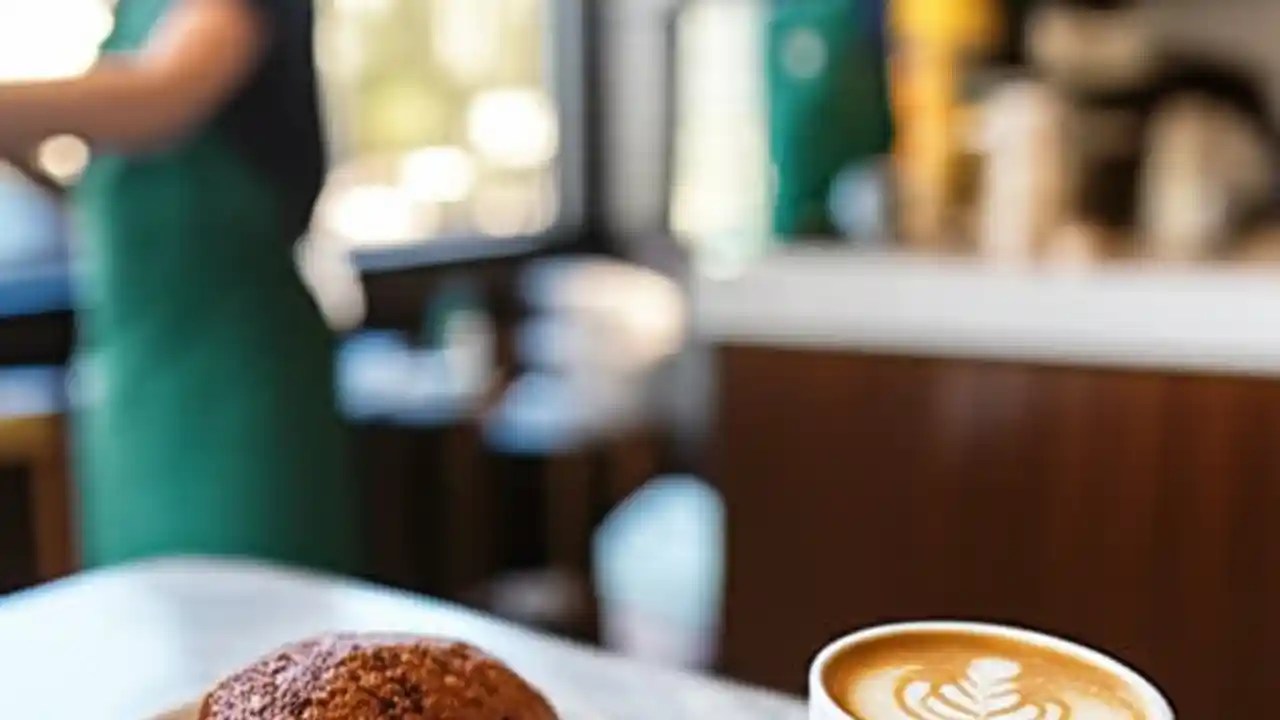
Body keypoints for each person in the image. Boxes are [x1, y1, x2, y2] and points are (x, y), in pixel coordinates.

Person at [0, 0, 359, 571]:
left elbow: (158, 98)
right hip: (133, 396)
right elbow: (102, 198)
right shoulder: (127, 22)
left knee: (259, 618)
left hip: (237, 392)